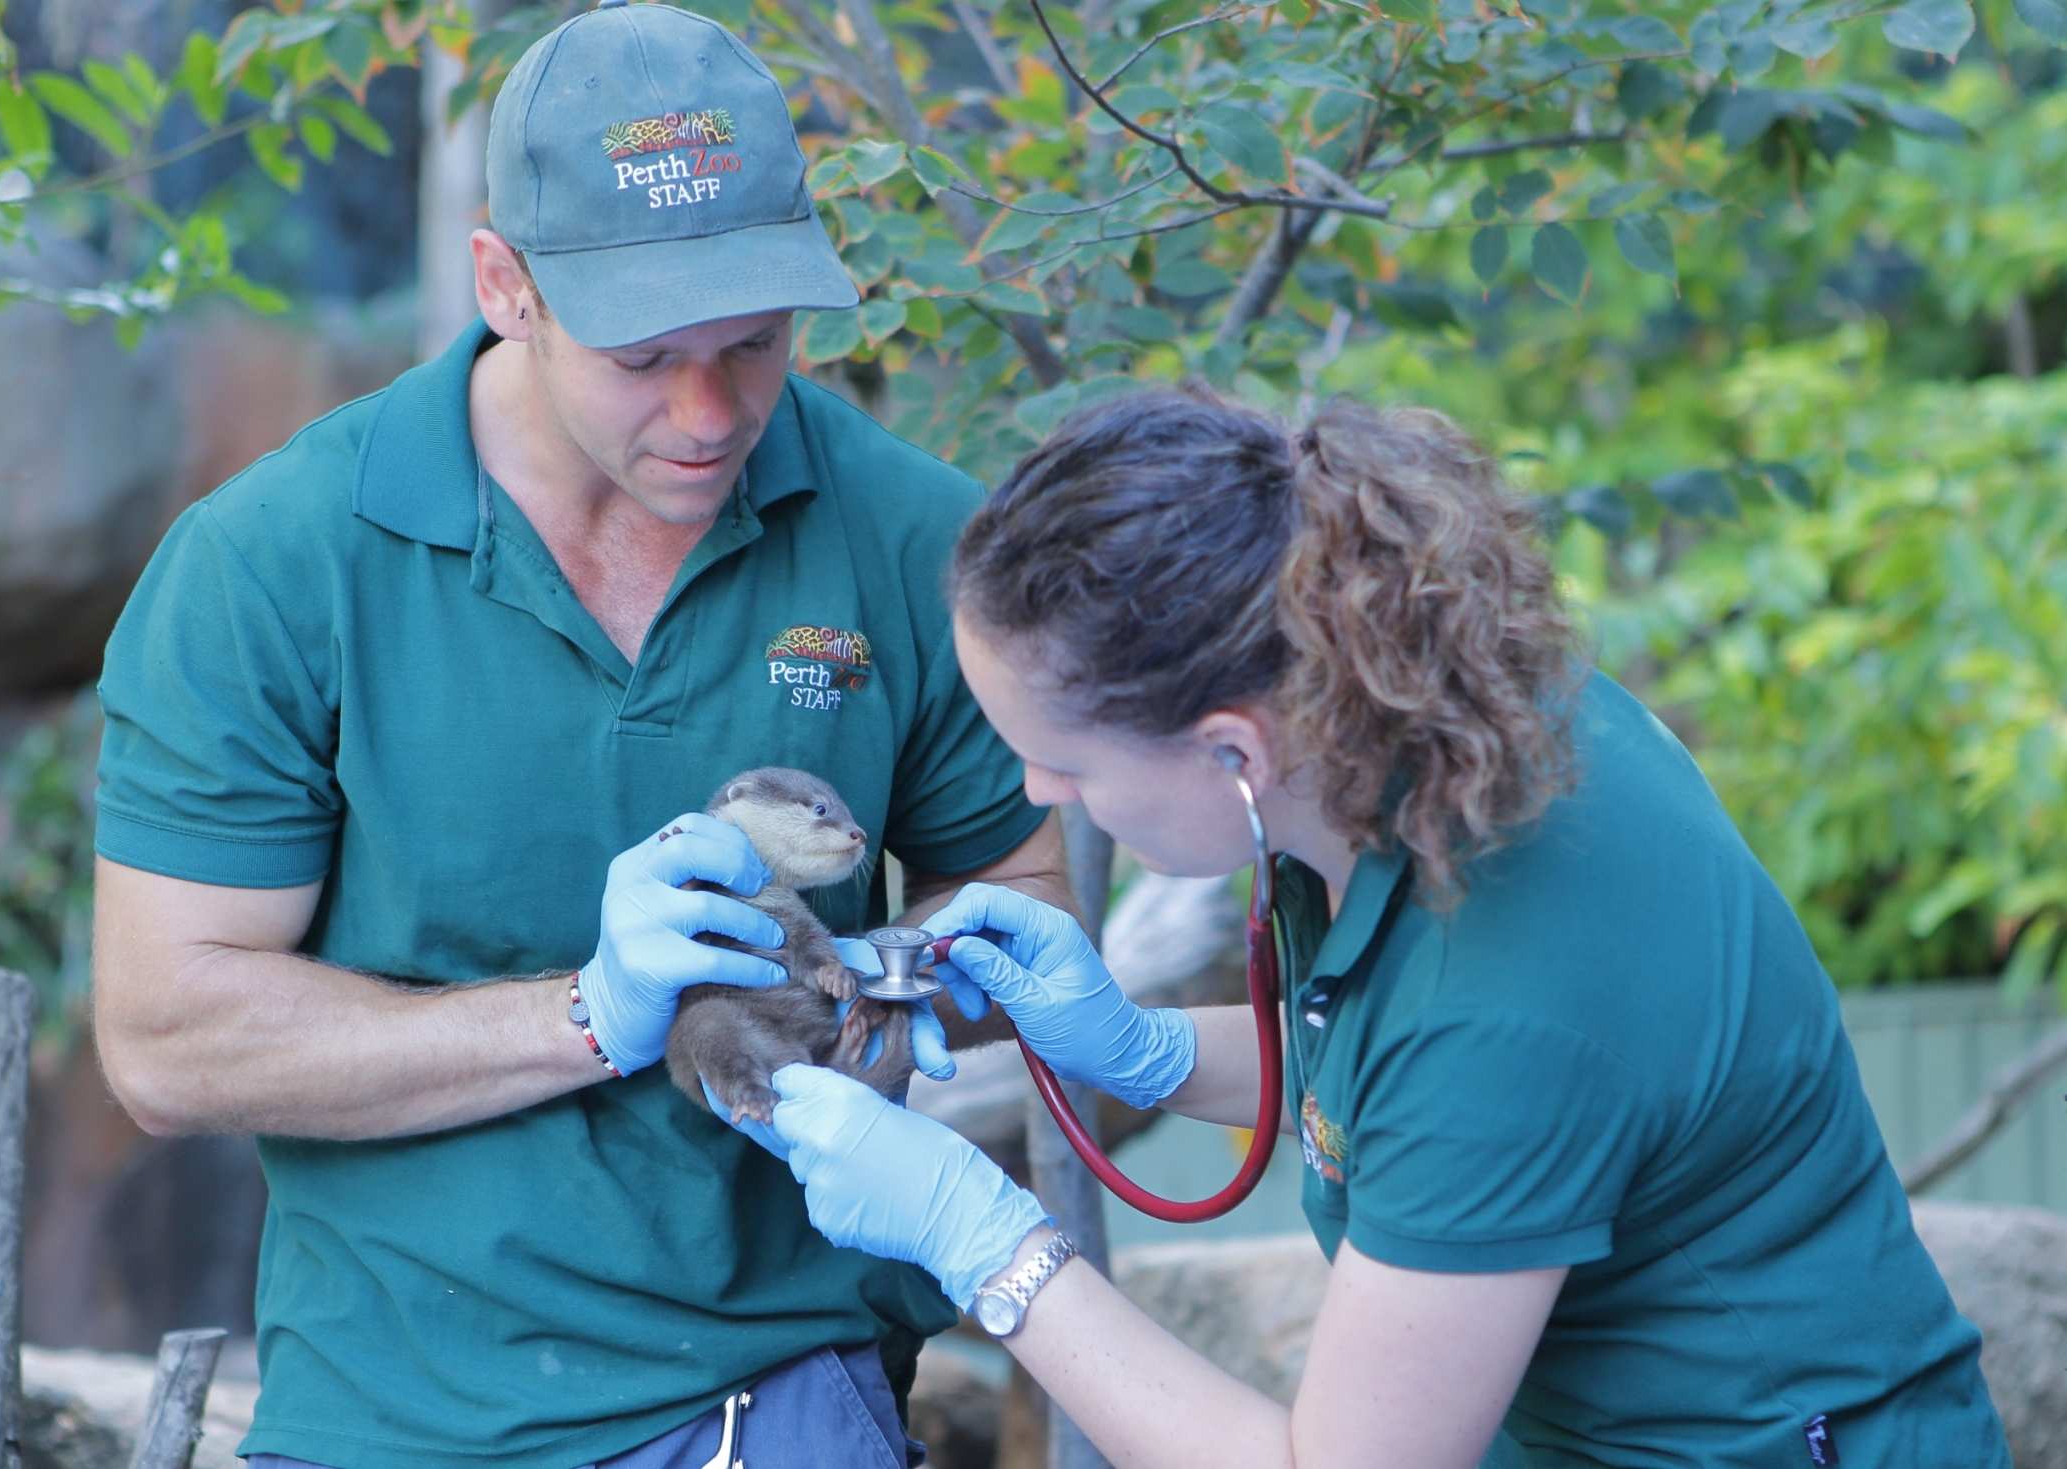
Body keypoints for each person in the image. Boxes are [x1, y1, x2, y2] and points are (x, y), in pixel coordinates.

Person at [87, 3, 1071, 1465]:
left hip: (782, 1382)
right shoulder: (276, 563)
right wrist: (587, 1017)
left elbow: (1028, 897)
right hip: (396, 1410)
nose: (708, 409)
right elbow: (166, 1041)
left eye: (752, 343)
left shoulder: (905, 534)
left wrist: (885, 983)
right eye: (644, 353)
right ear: (505, 283)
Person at [739, 388, 2014, 1467]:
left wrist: (986, 1241)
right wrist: (1139, 1049)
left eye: (1060, 762)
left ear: (1231, 751)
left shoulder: (1513, 996)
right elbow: (1381, 1054)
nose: (1037, 797)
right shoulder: (1424, 716)